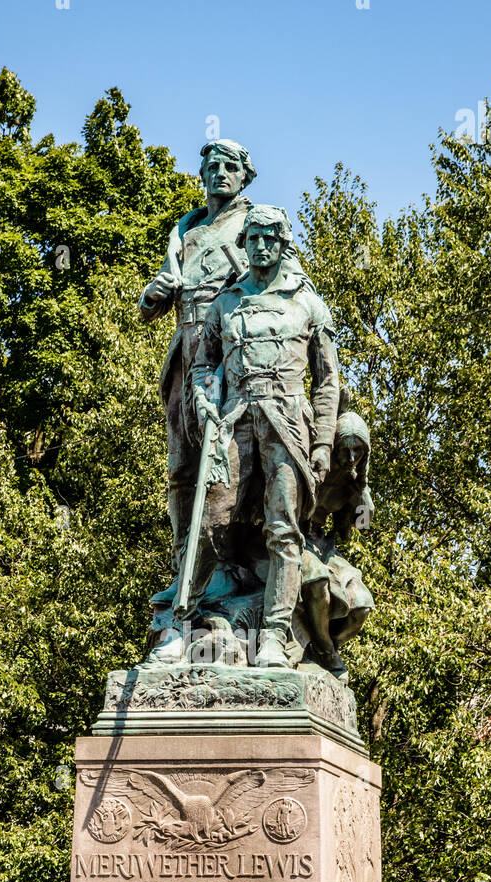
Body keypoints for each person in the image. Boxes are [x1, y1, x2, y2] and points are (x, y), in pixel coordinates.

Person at [190, 205, 340, 668]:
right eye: (253, 237)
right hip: (234, 421)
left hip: (288, 425)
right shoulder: (226, 302)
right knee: (211, 521)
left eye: (269, 238)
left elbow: (328, 381)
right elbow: (200, 365)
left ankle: (275, 634)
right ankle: (187, 621)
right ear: (246, 242)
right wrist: (203, 405)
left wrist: (322, 445)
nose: (260, 246)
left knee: (283, 529)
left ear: (282, 244)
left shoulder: (308, 303)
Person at [139, 139, 256, 597]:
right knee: (181, 469)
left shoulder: (254, 226)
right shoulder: (185, 231)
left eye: (230, 167)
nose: (220, 174)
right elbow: (152, 308)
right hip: (184, 355)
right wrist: (153, 294)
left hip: (228, 357)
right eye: (211, 166)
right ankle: (180, 569)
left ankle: (221, 567)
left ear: (245, 176)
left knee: (222, 464)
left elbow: (283, 288)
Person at [298, 400, 375, 679]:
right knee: (317, 580)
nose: (351, 457)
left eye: (358, 451)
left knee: (362, 605)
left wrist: (363, 502)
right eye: (346, 449)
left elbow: (356, 529)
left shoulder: (351, 483)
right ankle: (325, 651)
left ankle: (326, 646)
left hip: (323, 544)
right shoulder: (313, 466)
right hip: (295, 538)